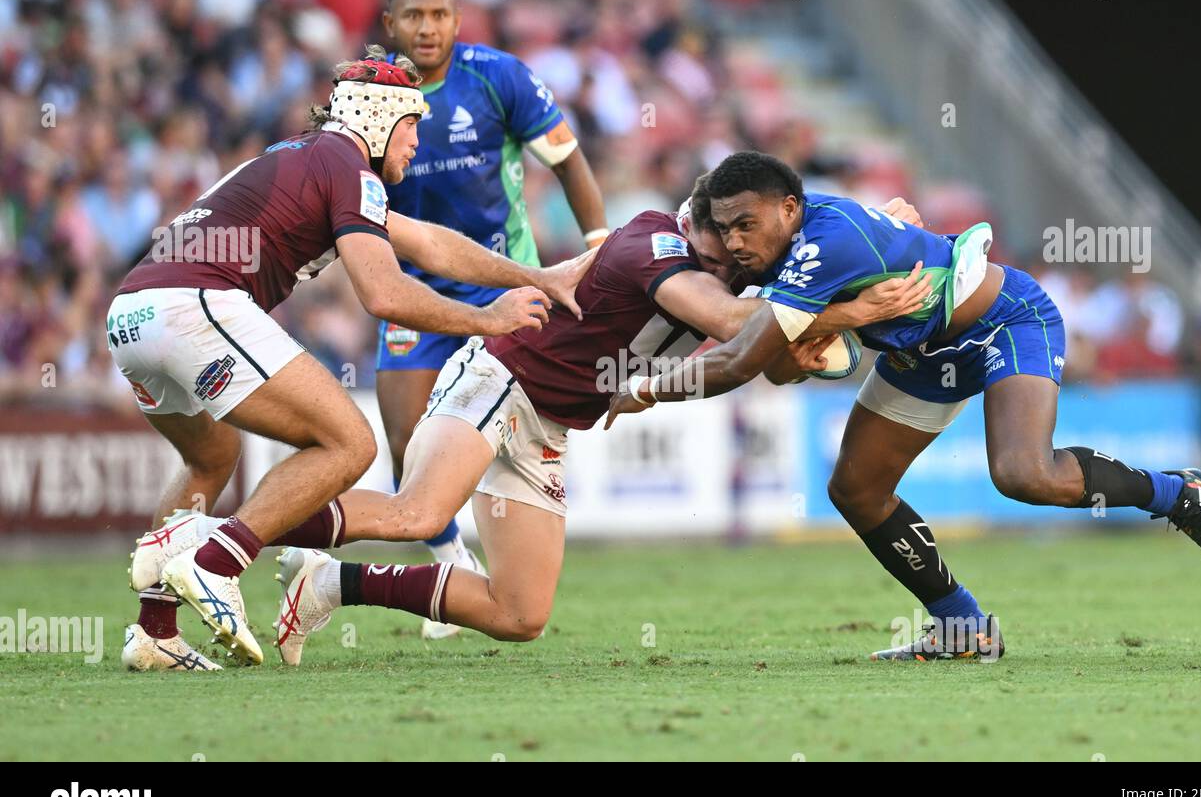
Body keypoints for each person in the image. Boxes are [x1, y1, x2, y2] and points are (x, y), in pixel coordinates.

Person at [604, 151, 1201, 662]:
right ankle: (964, 627)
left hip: (1003, 320)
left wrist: (647, 388)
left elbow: (743, 362)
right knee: (856, 490)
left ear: (789, 208)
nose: (735, 244)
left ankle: (1178, 493)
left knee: (1024, 474)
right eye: (725, 230)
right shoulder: (779, 251)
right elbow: (778, 368)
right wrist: (837, 322)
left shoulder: (825, 246)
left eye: (746, 225)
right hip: (923, 354)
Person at [266, 187, 932, 665]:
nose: (730, 267)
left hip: (547, 427)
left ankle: (328, 584)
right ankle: (227, 537)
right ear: (695, 225)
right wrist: (851, 310)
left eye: (736, 258)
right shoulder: (654, 244)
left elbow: (771, 361)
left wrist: (857, 265)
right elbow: (736, 326)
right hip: (503, 382)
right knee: (418, 513)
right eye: (719, 255)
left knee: (518, 615)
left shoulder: (727, 265)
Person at [114, 48, 589, 671]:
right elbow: (385, 295)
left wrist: (535, 276)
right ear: (378, 118)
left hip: (132, 314)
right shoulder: (350, 167)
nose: (418, 141)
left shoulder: (316, 157)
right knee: (350, 443)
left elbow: (430, 245)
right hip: (192, 306)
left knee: (212, 457)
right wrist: (488, 319)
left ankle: (154, 629)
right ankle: (213, 561)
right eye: (412, 123)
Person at [373, 0, 609, 641]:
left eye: (439, 14)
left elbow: (567, 159)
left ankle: (520, 561)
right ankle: (452, 561)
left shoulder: (498, 77)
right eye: (413, 15)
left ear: (457, 20)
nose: (427, 27)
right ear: (390, 23)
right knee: (404, 440)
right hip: (411, 292)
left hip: (508, 285)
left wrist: (598, 246)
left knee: (524, 430)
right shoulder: (373, 94)